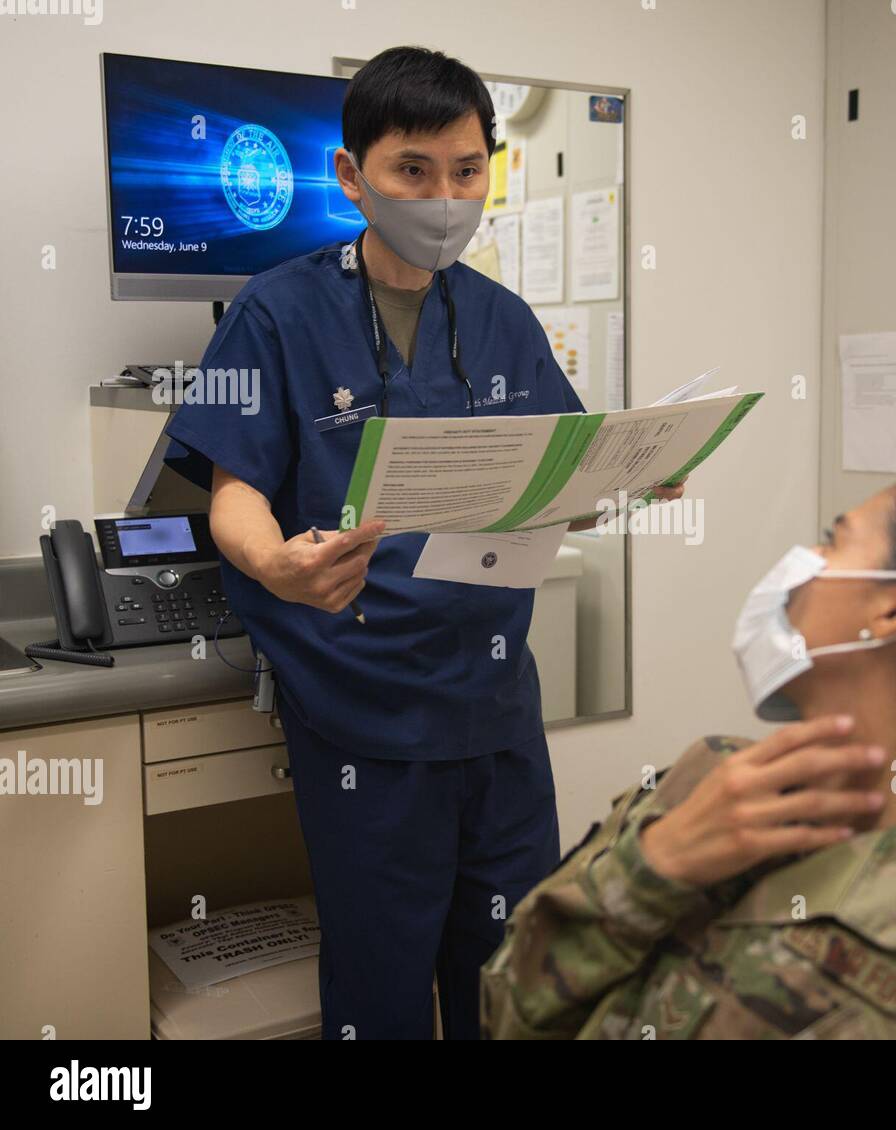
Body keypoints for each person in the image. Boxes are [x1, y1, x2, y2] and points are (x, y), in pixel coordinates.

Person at [162, 46, 682, 1040]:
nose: (445, 197)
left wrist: (624, 479)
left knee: (509, 968)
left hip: (493, 704)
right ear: (351, 175)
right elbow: (233, 494)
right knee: (382, 975)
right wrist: (275, 563)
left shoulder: (500, 319)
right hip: (360, 706)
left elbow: (552, 486)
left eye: (468, 169)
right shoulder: (277, 312)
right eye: (414, 170)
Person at [481, 470, 896, 1039]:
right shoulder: (707, 781)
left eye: (832, 539)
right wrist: (655, 865)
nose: (802, 563)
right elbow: (505, 1013)